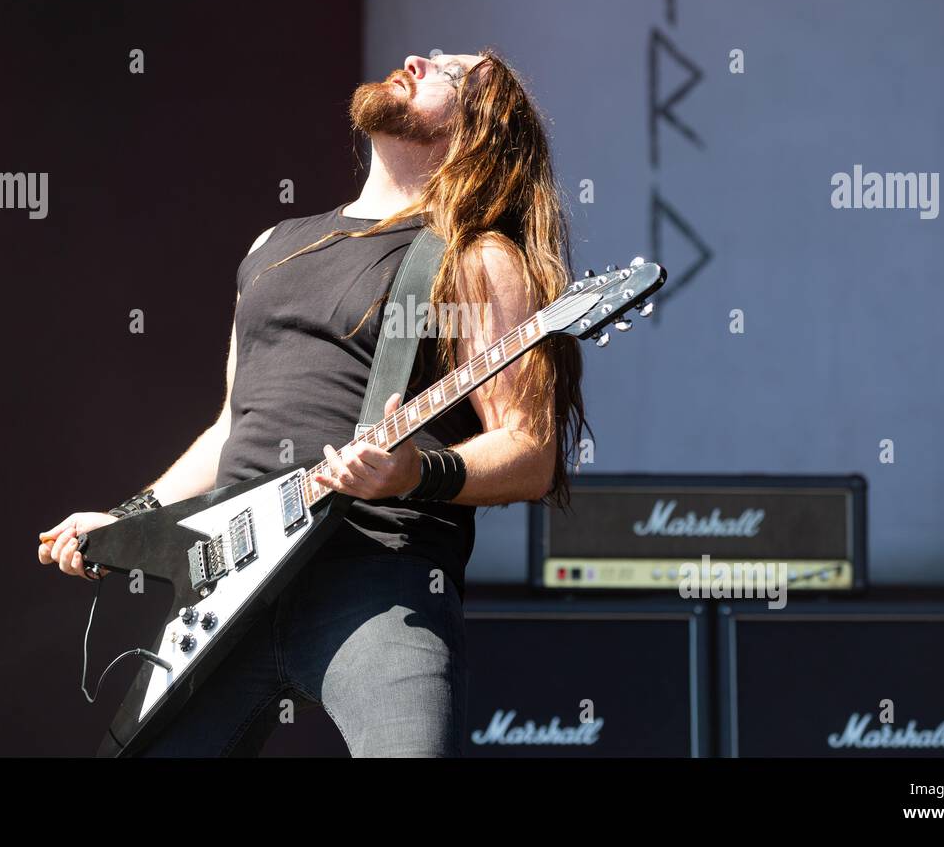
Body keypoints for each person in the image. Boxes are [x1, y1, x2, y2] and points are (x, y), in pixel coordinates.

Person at [38, 49, 586, 757]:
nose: (417, 59)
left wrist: (416, 472)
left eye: (450, 72)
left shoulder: (475, 259)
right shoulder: (274, 245)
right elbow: (231, 425)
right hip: (227, 584)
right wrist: (127, 520)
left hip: (378, 581)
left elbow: (529, 450)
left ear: (476, 131)